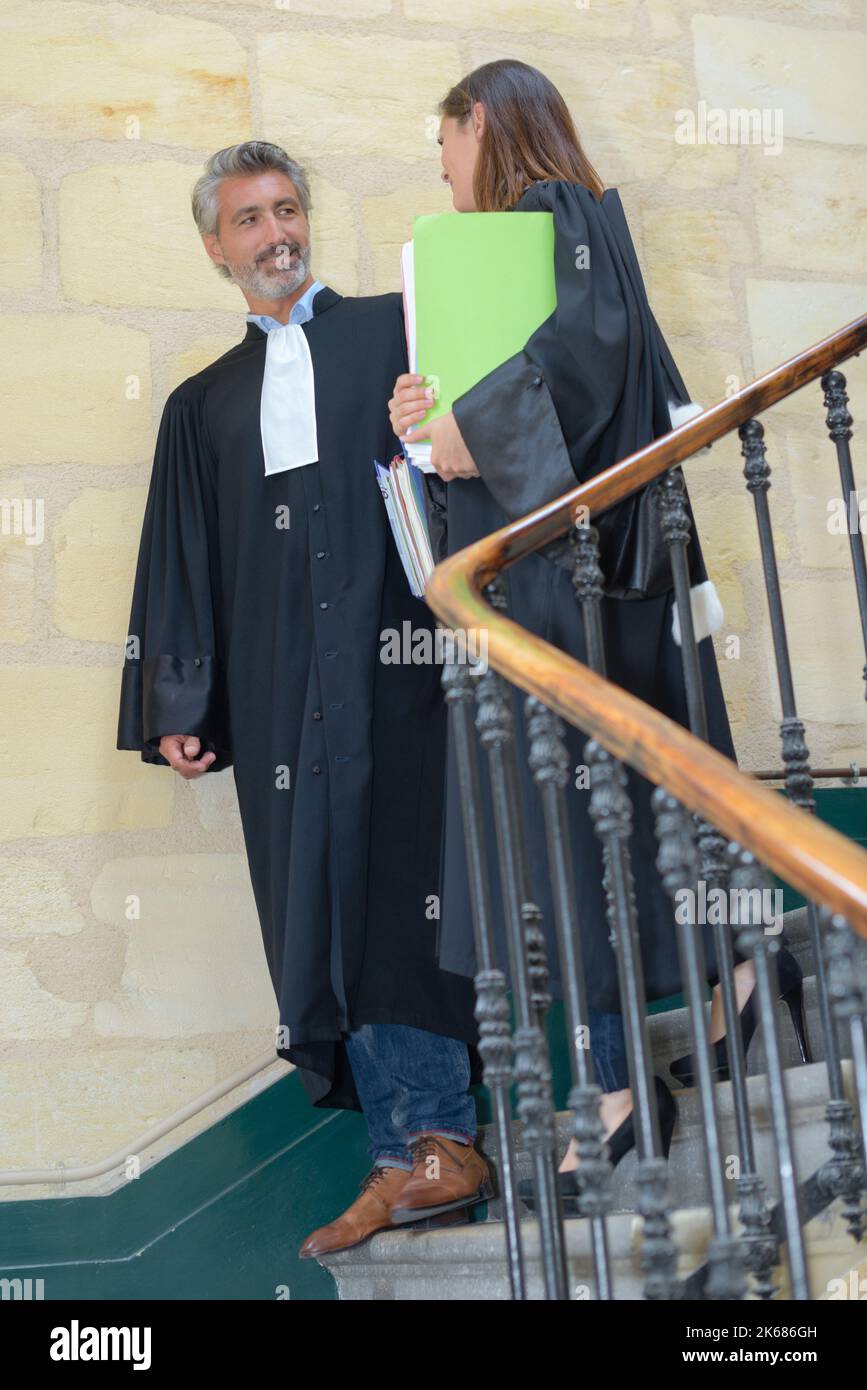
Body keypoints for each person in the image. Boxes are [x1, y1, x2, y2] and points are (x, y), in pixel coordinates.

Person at [389, 60, 806, 1186]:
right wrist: (427, 419)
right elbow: (556, 383)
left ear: (480, 121)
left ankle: (627, 1086)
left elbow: (585, 360)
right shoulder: (556, 230)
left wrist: (472, 429)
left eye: (445, 143)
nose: (443, 168)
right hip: (579, 579)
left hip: (568, 587)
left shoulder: (555, 215)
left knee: (569, 832)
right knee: (611, 812)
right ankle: (738, 993)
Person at [116, 141, 494, 1256]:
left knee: (407, 885)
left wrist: (434, 419)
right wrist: (183, 698)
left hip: (404, 669)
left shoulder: (394, 334)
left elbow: (471, 455)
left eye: (288, 210)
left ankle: (437, 1143)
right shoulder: (205, 404)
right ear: (214, 245)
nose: (275, 232)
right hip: (284, 698)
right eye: (249, 220)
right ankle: (410, 1153)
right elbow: (179, 556)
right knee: (319, 905)